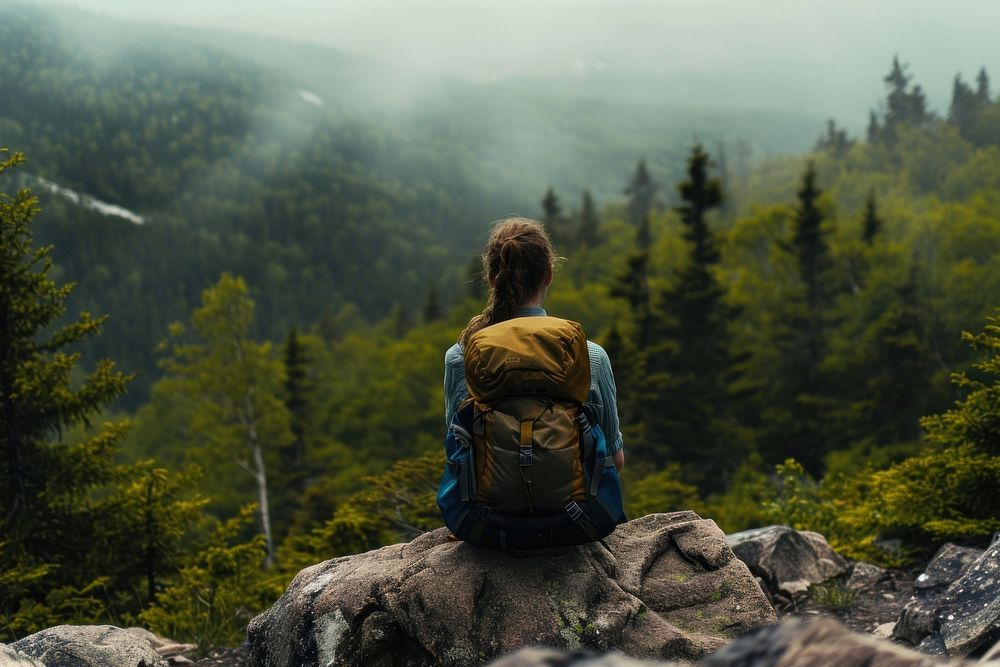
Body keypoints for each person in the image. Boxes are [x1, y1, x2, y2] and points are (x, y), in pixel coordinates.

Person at [443, 216, 625, 473]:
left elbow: (457, 455)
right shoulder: (589, 356)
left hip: (489, 513)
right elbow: (614, 460)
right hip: (574, 513)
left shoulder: (462, 356)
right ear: (548, 274)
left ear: (493, 279)